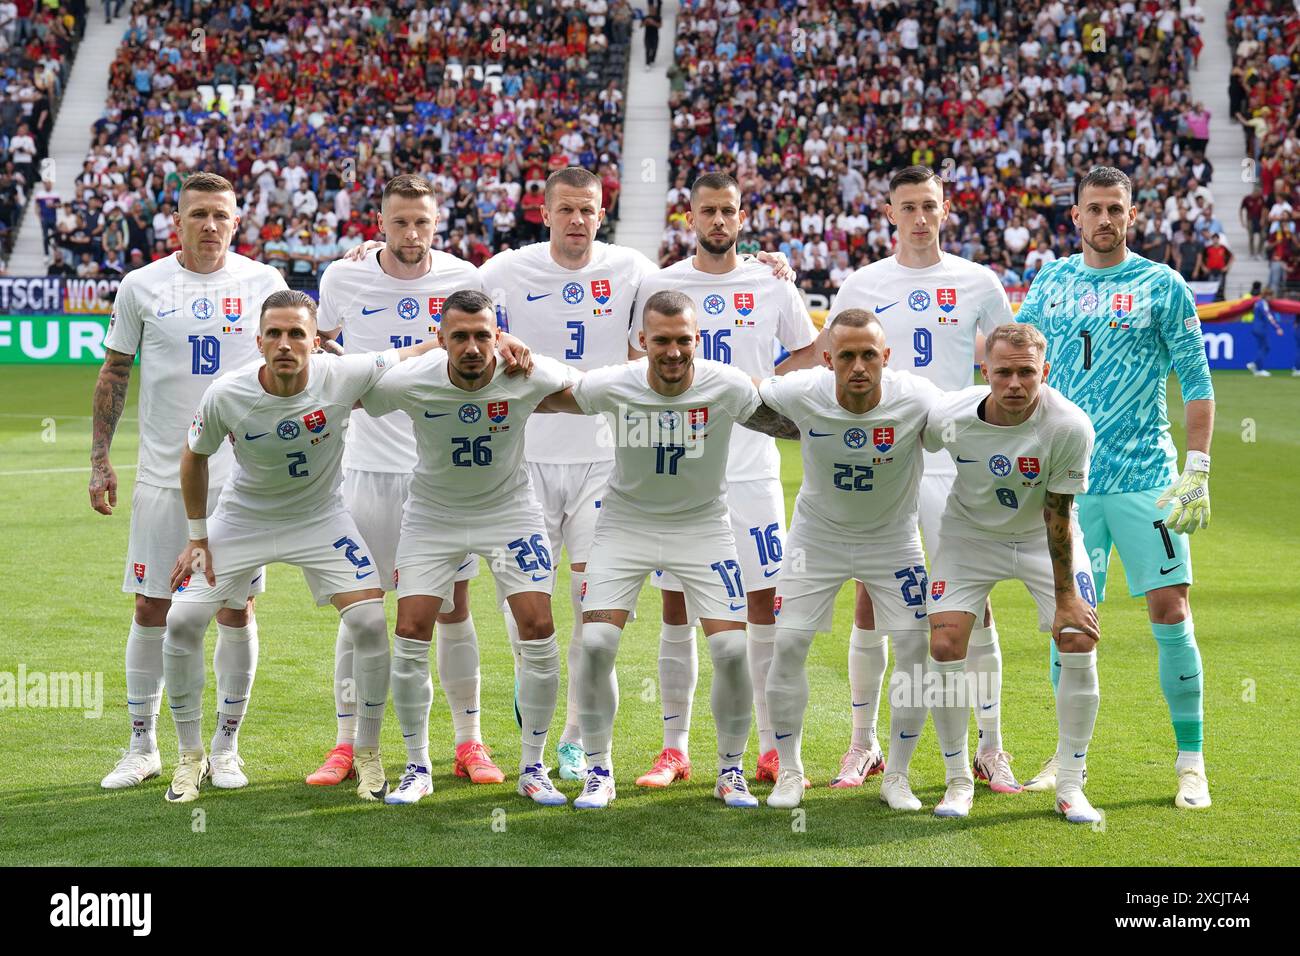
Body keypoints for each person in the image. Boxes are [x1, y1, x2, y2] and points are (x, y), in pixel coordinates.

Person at [161, 291, 437, 802]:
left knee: (370, 623)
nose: (285, 344)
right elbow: (193, 457)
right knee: (180, 622)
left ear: (315, 341)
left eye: (296, 334)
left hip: (320, 518)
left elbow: (416, 350)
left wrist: (498, 339)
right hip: (243, 519)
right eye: (275, 334)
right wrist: (197, 537)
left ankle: (368, 754)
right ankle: (191, 756)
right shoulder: (227, 393)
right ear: (259, 339)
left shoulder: (343, 374)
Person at [538, 290, 799, 809]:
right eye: (662, 340)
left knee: (730, 650)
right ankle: (598, 769)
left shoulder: (725, 384)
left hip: (702, 527)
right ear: (642, 341)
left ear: (697, 340)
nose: (674, 351)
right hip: (624, 526)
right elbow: (550, 394)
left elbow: (791, 422)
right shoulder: (616, 383)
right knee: (594, 645)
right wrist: (504, 360)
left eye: (684, 340)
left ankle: (730, 770)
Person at [1017, 165, 1216, 810]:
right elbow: (1018, 367)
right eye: (1093, 209)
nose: (1105, 220)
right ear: (1074, 215)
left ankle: (1192, 764)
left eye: (1116, 209)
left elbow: (1198, 382)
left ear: (1132, 215)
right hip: (1068, 486)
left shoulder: (1163, 286)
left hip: (1146, 482)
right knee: (1070, 624)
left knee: (1171, 614)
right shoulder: (1051, 281)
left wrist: (1198, 470)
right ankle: (1065, 759)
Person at [819, 165, 1019, 793]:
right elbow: (837, 363)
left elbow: (1009, 360)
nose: (920, 217)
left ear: (945, 209)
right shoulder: (863, 281)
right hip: (887, 454)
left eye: (929, 205)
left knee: (973, 598)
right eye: (908, 206)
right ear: (888, 211)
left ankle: (992, 746)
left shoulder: (978, 280)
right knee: (869, 593)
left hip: (956, 458)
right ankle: (863, 744)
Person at [91, 172, 287, 791]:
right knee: (152, 606)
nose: (210, 225)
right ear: (177, 220)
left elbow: (305, 353)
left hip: (241, 482)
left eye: (220, 216)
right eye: (198, 213)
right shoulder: (142, 286)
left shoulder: (263, 283)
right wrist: (99, 459)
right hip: (160, 478)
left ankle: (225, 749)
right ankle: (141, 745)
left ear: (236, 221)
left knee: (235, 606)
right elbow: (115, 371)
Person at [628, 172, 819, 791]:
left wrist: (766, 385)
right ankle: (674, 748)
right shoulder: (662, 284)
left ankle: (769, 747)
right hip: (682, 472)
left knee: (763, 604)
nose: (717, 221)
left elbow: (810, 353)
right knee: (677, 606)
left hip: (753, 470)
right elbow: (638, 356)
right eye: (707, 211)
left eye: (727, 211)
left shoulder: (770, 281)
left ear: (742, 218)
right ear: (690, 218)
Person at [311, 174, 502, 788]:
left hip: (438, 477)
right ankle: (348, 745)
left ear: (436, 222)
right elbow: (320, 344)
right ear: (381, 222)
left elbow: (489, 344)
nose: (412, 234)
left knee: (452, 608)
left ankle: (469, 741)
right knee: (361, 613)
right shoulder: (343, 277)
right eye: (400, 223)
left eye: (422, 222)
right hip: (364, 471)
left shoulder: (464, 279)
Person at [359, 290, 577, 806]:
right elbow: (352, 391)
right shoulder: (413, 380)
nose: (473, 347)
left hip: (510, 513)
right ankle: (418, 766)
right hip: (433, 516)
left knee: (538, 626)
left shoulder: (527, 373)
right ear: (441, 339)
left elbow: (588, 391)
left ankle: (533, 765)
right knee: (411, 629)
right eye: (460, 336)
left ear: (498, 337)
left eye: (483, 335)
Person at [759, 310, 945, 809]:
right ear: (828, 359)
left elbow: (968, 422)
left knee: (912, 644)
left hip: (893, 539)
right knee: (790, 643)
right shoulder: (802, 391)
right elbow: (747, 396)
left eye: (869, 355)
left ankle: (897, 776)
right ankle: (790, 773)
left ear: (885, 357)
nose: (859, 365)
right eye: (847, 356)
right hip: (816, 538)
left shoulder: (917, 397)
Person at [921, 323, 1100, 822]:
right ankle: (959, 781)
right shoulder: (951, 415)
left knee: (1078, 638)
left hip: (1044, 541)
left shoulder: (1068, 426)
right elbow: (909, 447)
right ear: (986, 372)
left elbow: (1059, 515)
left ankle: (1069, 784)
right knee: (944, 646)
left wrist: (1067, 598)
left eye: (1027, 372)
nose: (1015, 384)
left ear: (1045, 371)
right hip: (969, 536)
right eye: (1004, 372)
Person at [1244, 282, 1284, 376]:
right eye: (1271, 296)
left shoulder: (1257, 303)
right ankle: (1257, 366)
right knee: (1265, 347)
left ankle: (1257, 368)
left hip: (1256, 327)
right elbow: (1268, 316)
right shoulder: (1263, 304)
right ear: (1267, 295)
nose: (1272, 299)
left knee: (1262, 347)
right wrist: (1277, 328)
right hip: (1261, 328)